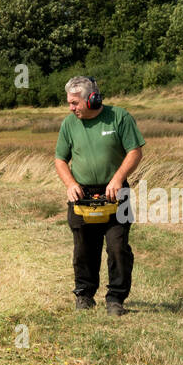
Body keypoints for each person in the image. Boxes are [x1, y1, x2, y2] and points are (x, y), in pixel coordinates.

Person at [53, 76, 145, 315]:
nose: (71, 108)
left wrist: (117, 178)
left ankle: (116, 299)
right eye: (69, 103)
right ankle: (84, 295)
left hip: (115, 193)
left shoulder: (119, 117)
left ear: (92, 99)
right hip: (82, 195)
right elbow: (60, 159)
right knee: (83, 248)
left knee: (117, 247)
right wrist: (70, 183)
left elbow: (134, 152)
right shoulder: (68, 124)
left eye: (75, 103)